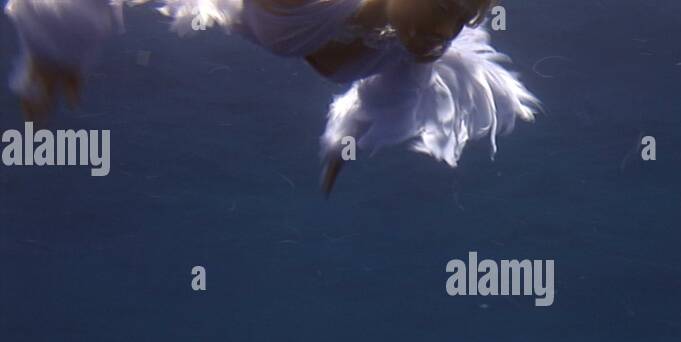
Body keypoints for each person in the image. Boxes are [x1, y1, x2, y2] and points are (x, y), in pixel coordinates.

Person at [4, 0, 540, 192]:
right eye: (444, 6)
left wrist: (348, 136)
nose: (447, 30)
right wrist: (57, 39)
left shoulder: (417, 48)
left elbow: (398, 91)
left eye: (465, 17)